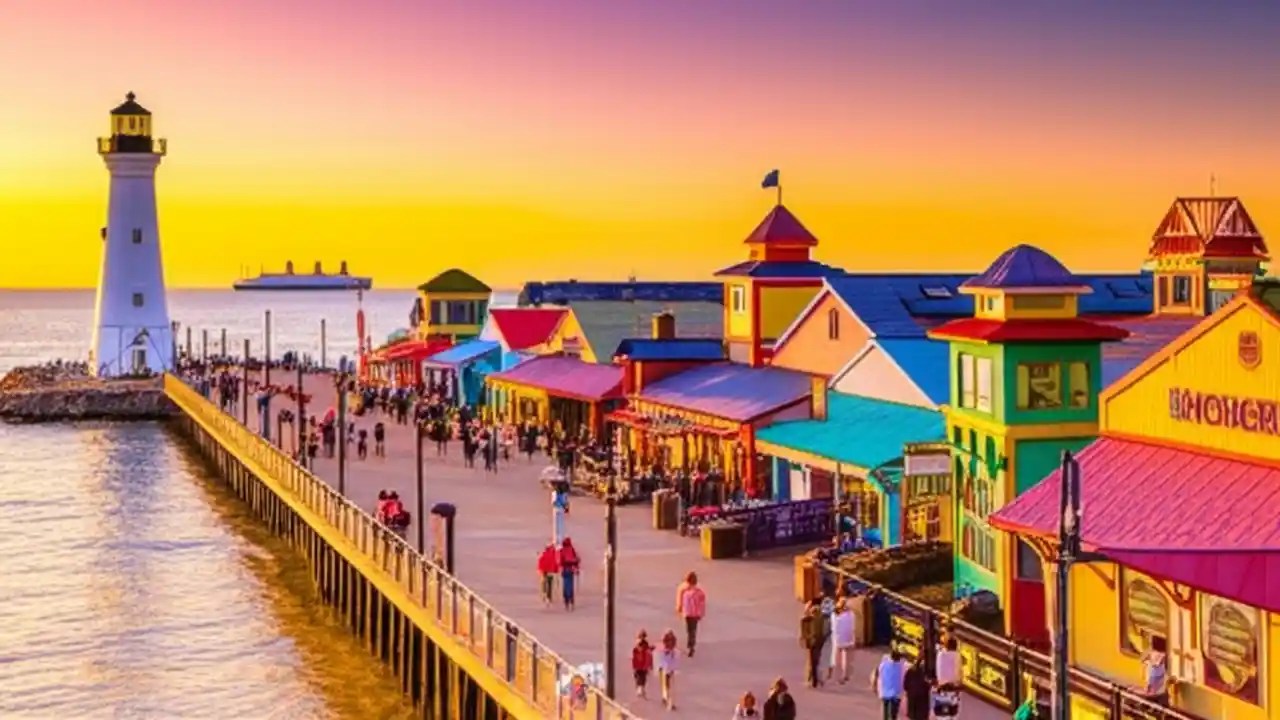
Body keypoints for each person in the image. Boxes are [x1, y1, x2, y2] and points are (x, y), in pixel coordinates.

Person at [674, 571, 706, 657]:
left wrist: (679, 608)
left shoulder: (685, 589)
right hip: (694, 613)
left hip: (688, 613)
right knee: (692, 630)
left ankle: (691, 645)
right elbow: (702, 604)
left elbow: (680, 599)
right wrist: (701, 613)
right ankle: (691, 645)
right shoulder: (698, 591)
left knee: (690, 630)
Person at [871, 649, 908, 719]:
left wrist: (874, 686)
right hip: (897, 694)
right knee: (894, 715)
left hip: (884, 692)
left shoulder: (883, 663)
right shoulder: (902, 666)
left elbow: (876, 674)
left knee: (885, 712)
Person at [799, 600, 827, 688]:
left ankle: (813, 679)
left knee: (813, 662)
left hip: (812, 643)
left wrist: (804, 638)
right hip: (818, 642)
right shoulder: (820, 618)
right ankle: (815, 679)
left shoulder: (808, 619)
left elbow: (804, 631)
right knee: (816, 661)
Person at [932, 635, 962, 718]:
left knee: (942, 713)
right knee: (953, 712)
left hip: (942, 687)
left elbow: (938, 670)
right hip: (953, 687)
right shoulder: (957, 656)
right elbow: (959, 673)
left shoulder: (940, 654)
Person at [830, 597, 857, 683]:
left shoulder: (835, 616)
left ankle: (837, 676)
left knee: (837, 658)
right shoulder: (851, 614)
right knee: (846, 659)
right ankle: (845, 675)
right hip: (848, 638)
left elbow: (833, 626)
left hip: (838, 639)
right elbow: (853, 626)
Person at [1139, 636, 1169, 703]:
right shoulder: (1163, 655)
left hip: (1156, 689)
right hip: (1159, 690)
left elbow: (1142, 659)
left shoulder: (1154, 654)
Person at [656, 629, 679, 711]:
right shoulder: (672, 652)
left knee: (666, 684)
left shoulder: (663, 651)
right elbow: (674, 661)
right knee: (668, 685)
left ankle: (666, 698)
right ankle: (667, 699)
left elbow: (661, 661)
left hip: (666, 669)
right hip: (668, 669)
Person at [558, 538, 580, 611]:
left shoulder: (562, 550)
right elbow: (576, 560)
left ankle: (566, 601)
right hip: (571, 570)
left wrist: (560, 568)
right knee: (570, 585)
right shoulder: (572, 549)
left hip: (565, 569)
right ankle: (571, 600)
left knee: (565, 585)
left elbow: (560, 561)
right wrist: (577, 569)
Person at [632, 630, 653, 699]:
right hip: (642, 664)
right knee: (642, 677)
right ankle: (641, 689)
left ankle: (640, 689)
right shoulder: (644, 644)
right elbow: (648, 653)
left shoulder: (639, 645)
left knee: (639, 677)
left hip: (640, 664)